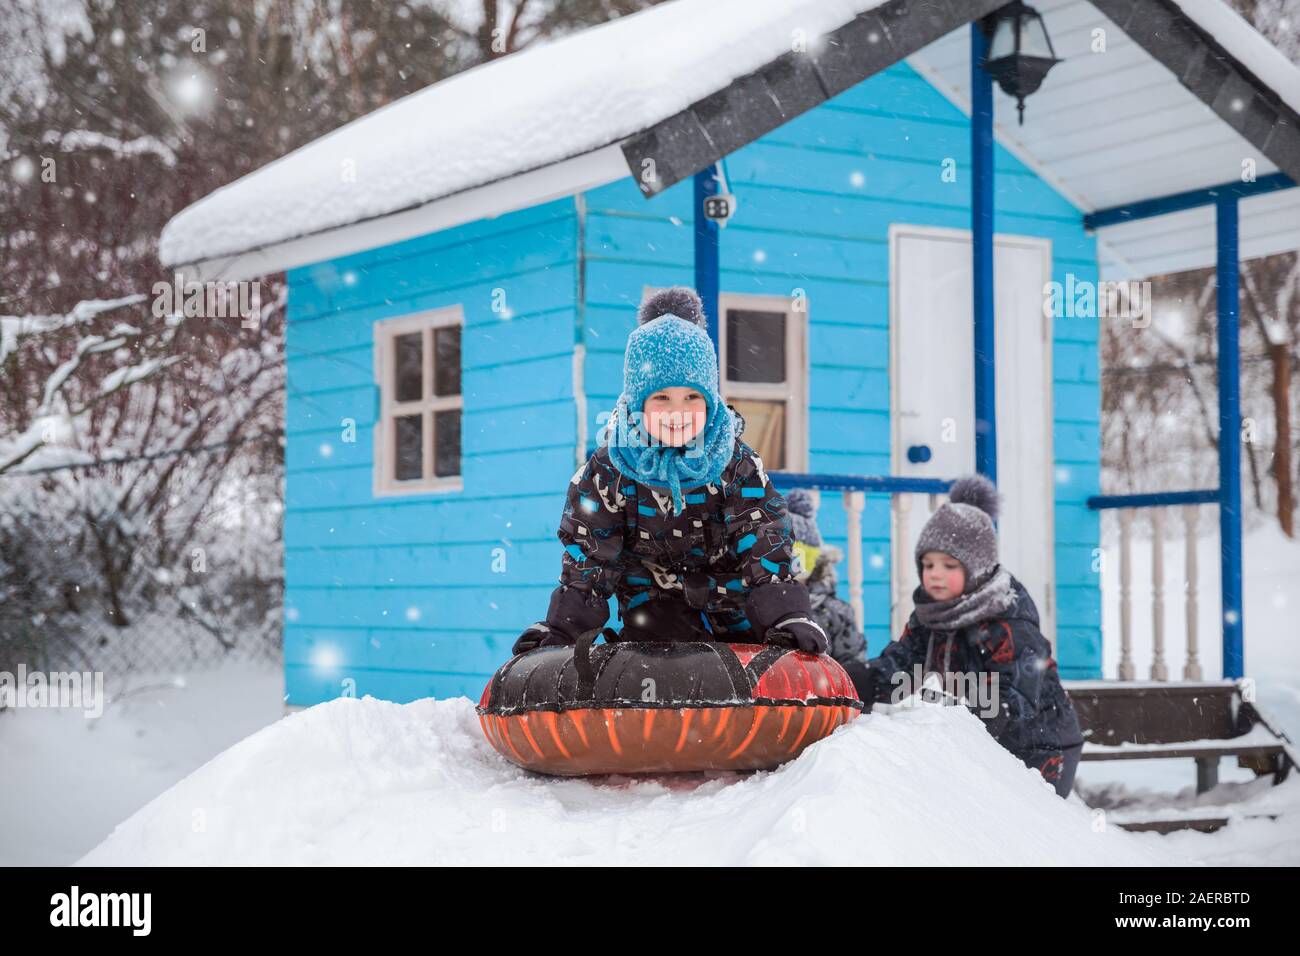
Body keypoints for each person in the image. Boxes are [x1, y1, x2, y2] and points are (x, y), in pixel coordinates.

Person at [512, 286, 827, 656]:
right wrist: (562, 631)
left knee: (757, 650)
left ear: (710, 403)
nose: (677, 411)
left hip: (737, 607)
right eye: (661, 398)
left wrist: (786, 615)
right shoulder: (608, 472)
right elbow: (589, 558)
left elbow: (763, 539)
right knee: (663, 645)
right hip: (654, 612)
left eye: (692, 397)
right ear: (637, 403)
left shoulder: (735, 465)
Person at [856, 475, 1085, 798]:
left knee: (1016, 825)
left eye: (949, 565)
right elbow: (901, 665)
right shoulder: (930, 617)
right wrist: (857, 683)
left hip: (1041, 748)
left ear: (977, 569)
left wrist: (953, 723)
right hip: (980, 737)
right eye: (928, 563)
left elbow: (1012, 701)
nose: (934, 573)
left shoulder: (1008, 624)